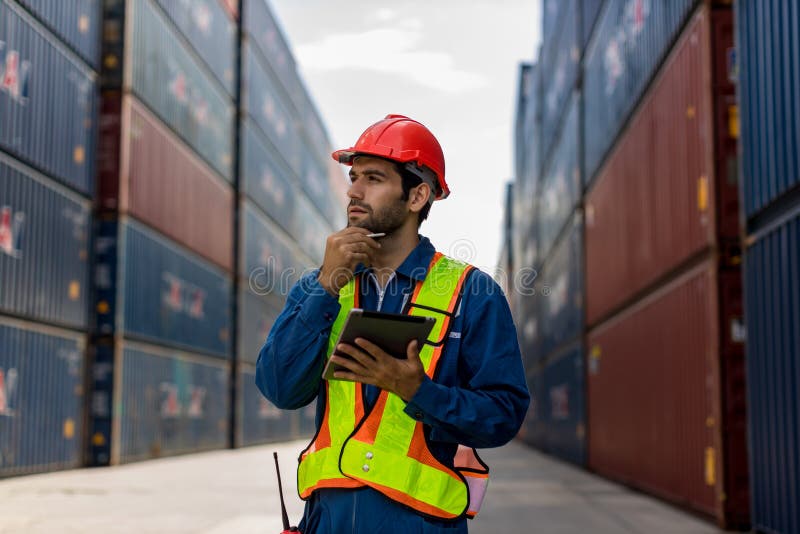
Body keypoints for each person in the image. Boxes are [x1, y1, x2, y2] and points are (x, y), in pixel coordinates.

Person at [256, 114, 529, 533]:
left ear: (418, 195)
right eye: (354, 176)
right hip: (326, 523)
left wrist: (418, 391)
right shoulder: (323, 285)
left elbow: (503, 415)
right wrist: (324, 288)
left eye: (374, 178)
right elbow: (280, 388)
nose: (354, 190)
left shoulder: (471, 293)